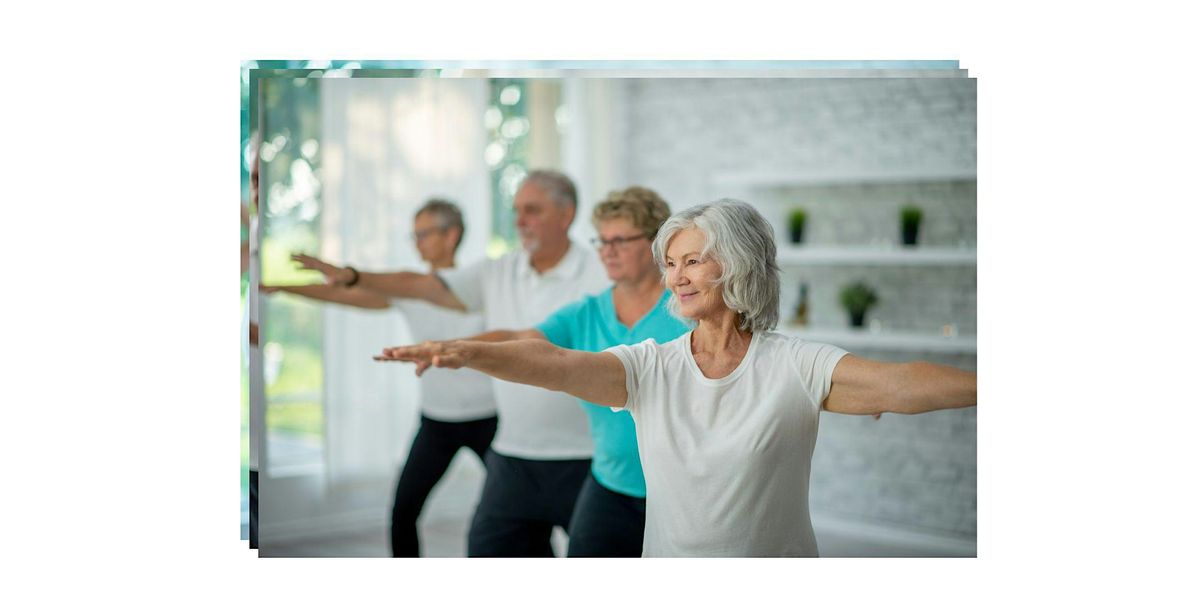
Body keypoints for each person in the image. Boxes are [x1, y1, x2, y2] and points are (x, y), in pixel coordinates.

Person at [375, 199, 977, 557]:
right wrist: (469, 352)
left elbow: (899, 385)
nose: (677, 277)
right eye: (670, 263)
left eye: (693, 260)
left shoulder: (796, 365)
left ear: (737, 264)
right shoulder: (648, 365)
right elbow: (556, 364)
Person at [293, 170, 608, 557]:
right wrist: (353, 276)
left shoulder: (599, 272)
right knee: (489, 550)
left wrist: (457, 349)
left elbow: (527, 339)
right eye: (516, 210)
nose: (520, 220)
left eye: (532, 210)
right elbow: (420, 284)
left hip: (576, 452)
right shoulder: (496, 271)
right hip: (507, 450)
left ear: (566, 214)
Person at [432, 186, 687, 556]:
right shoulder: (586, 312)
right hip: (611, 485)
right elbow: (526, 340)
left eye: (620, 240)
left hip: (679, 491)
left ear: (657, 245)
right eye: (602, 241)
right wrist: (461, 349)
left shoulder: (685, 310)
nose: (607, 251)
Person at [262, 199, 497, 557]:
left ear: (451, 235)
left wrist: (347, 272)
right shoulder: (407, 293)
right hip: (437, 423)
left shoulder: (480, 287)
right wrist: (283, 287)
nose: (417, 242)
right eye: (414, 235)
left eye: (425, 233)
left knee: (518, 510)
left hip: (489, 420)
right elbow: (340, 294)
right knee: (403, 512)